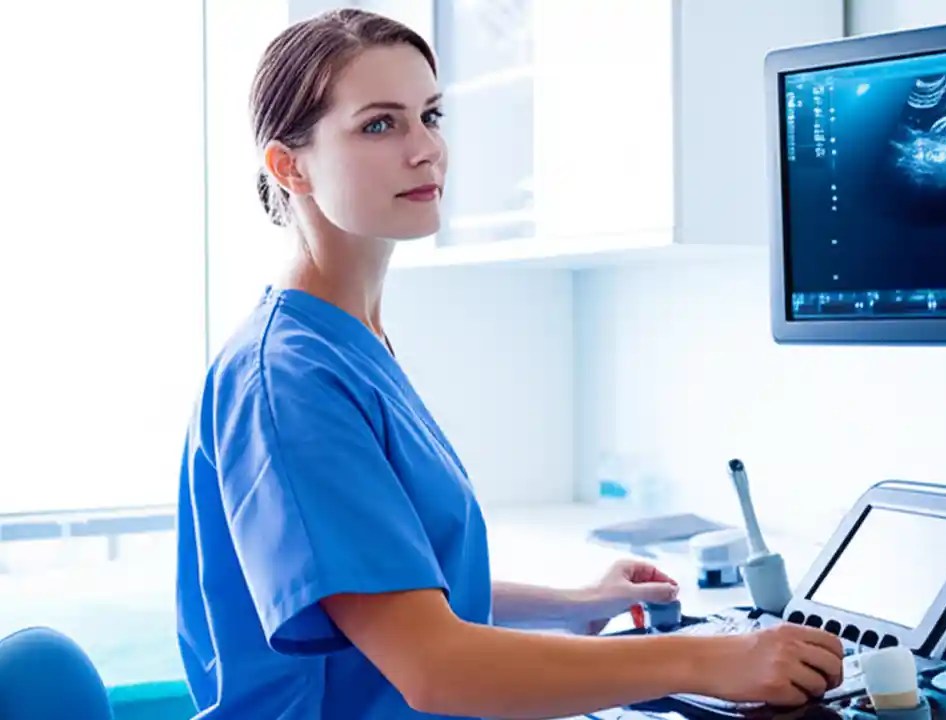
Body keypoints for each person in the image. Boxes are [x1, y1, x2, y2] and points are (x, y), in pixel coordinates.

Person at [175, 8, 844, 719]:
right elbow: (434, 667)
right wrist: (708, 659)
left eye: (430, 115)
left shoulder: (350, 341)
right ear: (289, 165)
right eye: (380, 124)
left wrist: (577, 606)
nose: (425, 148)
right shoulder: (288, 378)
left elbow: (396, 587)